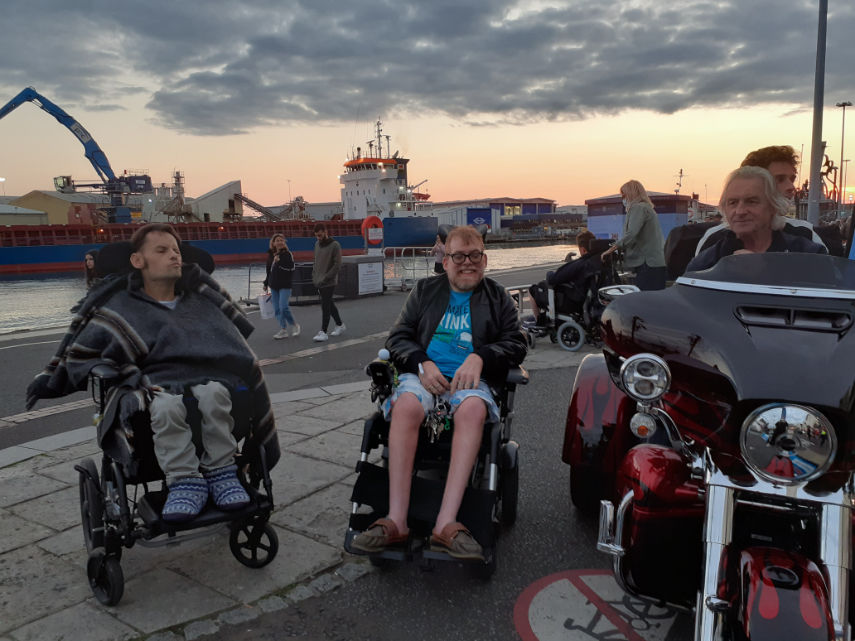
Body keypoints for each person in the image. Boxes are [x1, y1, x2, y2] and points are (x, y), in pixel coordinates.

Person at [26, 223, 277, 522]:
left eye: (176, 251)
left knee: (215, 393)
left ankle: (222, 471)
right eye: (162, 250)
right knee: (166, 404)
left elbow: (234, 349)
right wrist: (123, 372)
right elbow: (84, 353)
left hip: (207, 378)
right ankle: (185, 481)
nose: (174, 256)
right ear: (138, 260)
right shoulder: (120, 307)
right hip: (151, 384)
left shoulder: (200, 302)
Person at [350, 225, 527, 560]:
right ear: (444, 261)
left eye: (474, 256)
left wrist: (481, 356)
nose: (467, 263)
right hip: (425, 375)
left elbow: (517, 342)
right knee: (404, 407)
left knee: (473, 411)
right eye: (458, 256)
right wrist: (420, 362)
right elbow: (398, 336)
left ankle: (446, 523)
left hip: (471, 381)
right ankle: (397, 520)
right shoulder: (424, 291)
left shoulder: (498, 297)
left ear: (484, 259)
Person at [686, 166, 827, 272]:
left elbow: (828, 303)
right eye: (733, 203)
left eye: (751, 201)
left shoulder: (809, 254)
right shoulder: (708, 261)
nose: (740, 211)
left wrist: (764, 271)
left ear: (773, 207)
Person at [695, 145, 825, 254]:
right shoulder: (714, 240)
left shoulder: (805, 235)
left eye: (792, 179)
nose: (791, 187)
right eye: (779, 179)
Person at [602, 180, 667, 290]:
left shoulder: (638, 208)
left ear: (631, 194)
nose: (623, 198)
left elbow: (631, 233)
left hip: (646, 263)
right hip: (656, 262)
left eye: (624, 195)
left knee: (644, 300)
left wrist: (612, 249)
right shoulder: (648, 208)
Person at [311, 222, 345, 342]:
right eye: (317, 236)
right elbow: (316, 261)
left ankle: (323, 331)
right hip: (319, 280)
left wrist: (326, 277)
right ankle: (340, 325)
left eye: (320, 235)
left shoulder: (335, 245)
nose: (319, 238)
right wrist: (314, 276)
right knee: (329, 303)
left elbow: (337, 264)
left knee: (325, 305)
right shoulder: (317, 245)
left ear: (326, 232)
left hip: (329, 281)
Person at [262, 233, 300, 340]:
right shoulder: (271, 255)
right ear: (273, 243)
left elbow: (291, 269)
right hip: (274, 284)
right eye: (277, 240)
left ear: (284, 242)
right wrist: (266, 283)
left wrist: (278, 263)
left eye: (281, 240)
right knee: (277, 309)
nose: (279, 242)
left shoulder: (287, 254)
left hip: (285, 284)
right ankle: (283, 330)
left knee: (283, 307)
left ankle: (294, 325)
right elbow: (269, 271)